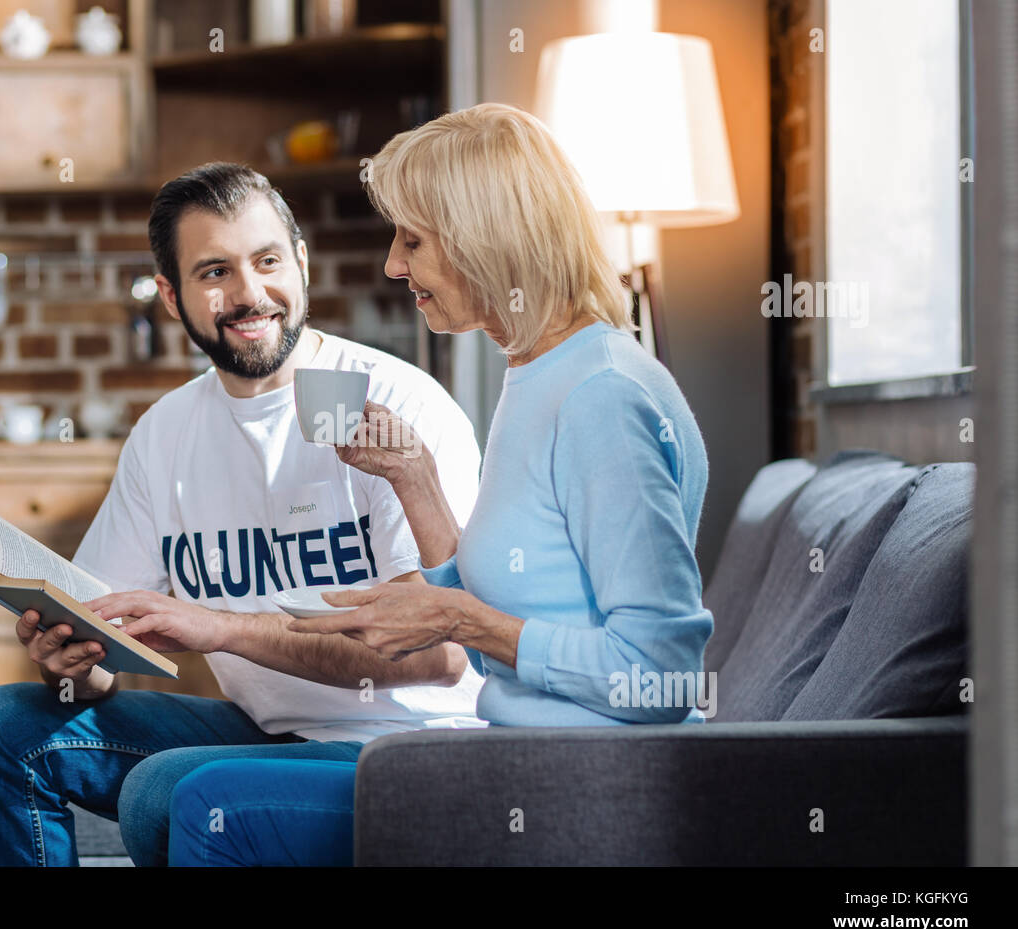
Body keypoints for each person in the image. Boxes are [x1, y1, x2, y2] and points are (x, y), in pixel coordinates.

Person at [163, 103, 715, 866]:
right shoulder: (534, 371)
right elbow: (519, 631)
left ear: (486, 236)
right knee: (181, 793)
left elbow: (661, 677)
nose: (395, 265)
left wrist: (462, 618)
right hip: (516, 756)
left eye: (412, 240)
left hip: (586, 782)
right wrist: (415, 481)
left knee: (208, 805)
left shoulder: (603, 398)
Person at [0, 162, 485, 866]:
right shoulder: (167, 432)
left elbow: (440, 657)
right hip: (264, 733)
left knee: (165, 790)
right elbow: (100, 657)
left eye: (267, 262)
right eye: (214, 273)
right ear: (172, 296)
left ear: (300, 261)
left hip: (406, 742)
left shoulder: (395, 406)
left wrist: (222, 631)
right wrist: (69, 662)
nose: (249, 293)